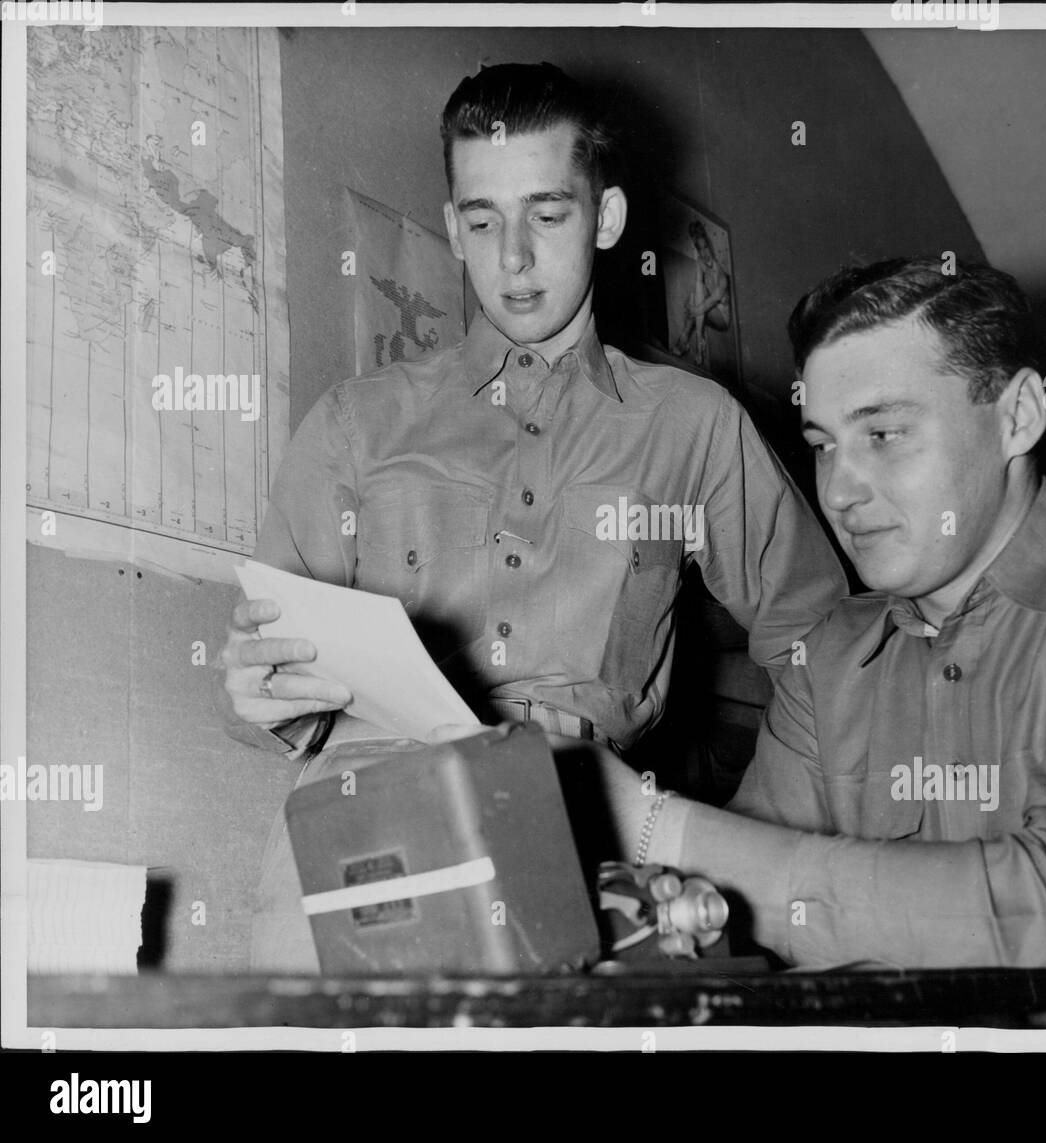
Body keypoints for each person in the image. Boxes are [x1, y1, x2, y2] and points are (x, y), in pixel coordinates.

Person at [216, 63, 846, 971]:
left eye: (548, 215)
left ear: (607, 219)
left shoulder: (693, 424)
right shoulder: (354, 422)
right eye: (481, 221)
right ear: (452, 227)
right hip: (361, 837)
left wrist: (752, 829)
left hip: (590, 835)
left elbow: (823, 647)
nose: (511, 257)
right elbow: (262, 689)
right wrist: (260, 694)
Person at [585, 256, 1046, 1027]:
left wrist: (655, 822)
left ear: (1018, 417)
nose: (841, 490)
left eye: (883, 433)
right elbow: (739, 916)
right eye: (822, 444)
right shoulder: (832, 659)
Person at [671, 219, 732, 370]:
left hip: (722, 320)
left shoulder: (722, 276)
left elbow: (710, 302)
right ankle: (692, 342)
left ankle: (686, 342)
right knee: (694, 295)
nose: (704, 253)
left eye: (706, 247)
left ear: (710, 247)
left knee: (695, 303)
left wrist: (693, 310)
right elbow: (699, 288)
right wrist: (699, 330)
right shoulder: (700, 262)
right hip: (707, 309)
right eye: (700, 249)